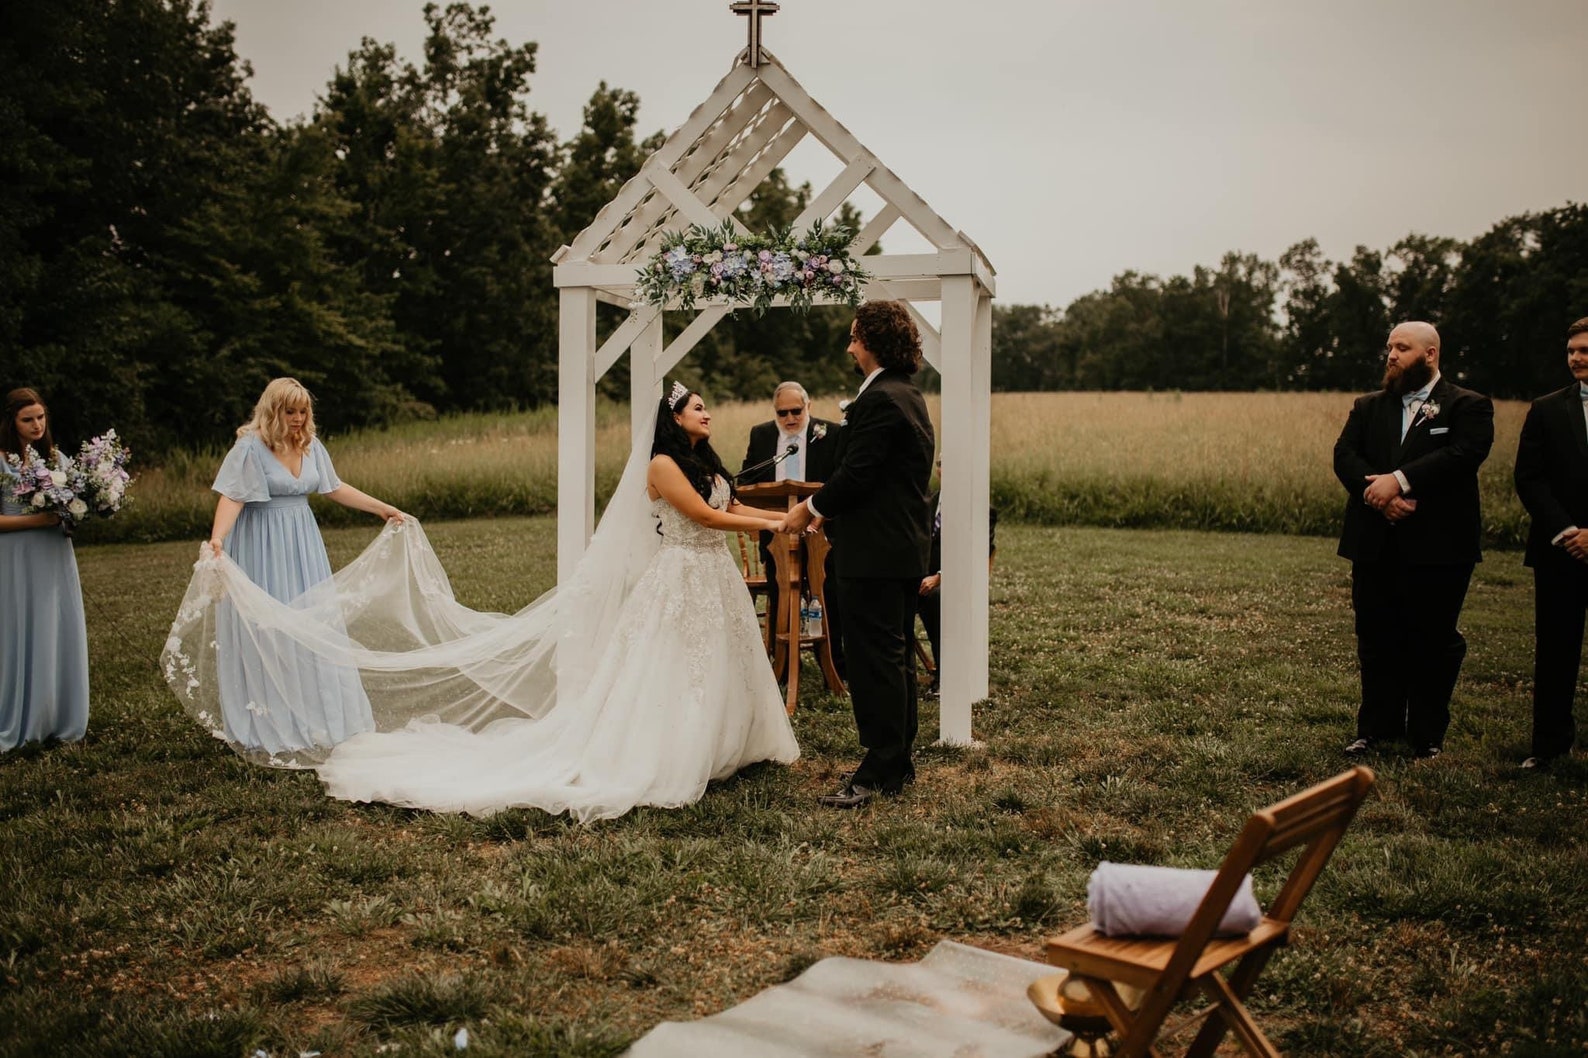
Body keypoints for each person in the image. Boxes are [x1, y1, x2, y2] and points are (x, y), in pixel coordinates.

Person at [312, 384, 800, 820]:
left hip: (715, 576)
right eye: (698, 407)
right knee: (675, 664)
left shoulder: (706, 464)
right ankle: (674, 753)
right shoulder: (662, 465)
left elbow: (730, 507)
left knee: (718, 660)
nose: (707, 413)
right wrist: (773, 526)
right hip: (682, 574)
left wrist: (789, 516)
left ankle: (725, 746)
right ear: (674, 419)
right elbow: (704, 519)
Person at [782, 301, 935, 807]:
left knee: (874, 661)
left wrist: (811, 508)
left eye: (853, 338)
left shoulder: (883, 399)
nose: (849, 347)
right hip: (898, 546)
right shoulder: (907, 394)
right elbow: (880, 476)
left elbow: (860, 473)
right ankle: (897, 762)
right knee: (895, 658)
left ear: (871, 341)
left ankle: (879, 770)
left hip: (874, 551)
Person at [202, 377, 404, 759]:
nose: (298, 419)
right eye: (290, 412)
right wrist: (218, 538)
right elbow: (232, 496)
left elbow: (333, 487)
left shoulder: (310, 446)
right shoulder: (249, 448)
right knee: (269, 629)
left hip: (302, 545)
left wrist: (382, 508)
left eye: (303, 411)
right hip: (260, 545)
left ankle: (319, 715)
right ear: (273, 411)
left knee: (313, 625)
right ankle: (270, 718)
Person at [1333, 321, 1493, 760]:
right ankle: (1375, 729)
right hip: (1375, 541)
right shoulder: (1369, 407)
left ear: (1430, 354)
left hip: (1439, 546)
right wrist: (1379, 498)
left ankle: (1425, 735)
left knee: (1432, 639)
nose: (1391, 355)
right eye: (1389, 347)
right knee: (1376, 635)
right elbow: (1345, 455)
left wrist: (1400, 481)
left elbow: (1463, 455)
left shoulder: (1468, 406)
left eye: (1402, 348)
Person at [1513, 316, 1588, 770]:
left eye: (1585, 351)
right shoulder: (1545, 409)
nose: (1576, 358)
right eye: (1572, 351)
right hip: (1559, 550)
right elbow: (1530, 478)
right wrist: (1569, 533)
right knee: (1556, 648)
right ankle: (1548, 745)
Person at [0, 388, 89, 751]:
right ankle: (21, 720)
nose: (37, 425)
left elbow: (74, 501)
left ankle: (59, 718)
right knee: (21, 628)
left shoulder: (56, 459)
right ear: (11, 423)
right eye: (27, 419)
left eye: (40, 417)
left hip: (55, 554)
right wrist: (42, 519)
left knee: (56, 627)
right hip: (17, 556)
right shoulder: (2, 462)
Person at [739, 380, 843, 673]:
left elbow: (840, 481)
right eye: (782, 413)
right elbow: (747, 480)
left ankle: (835, 663)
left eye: (796, 411)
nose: (790, 419)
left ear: (808, 407)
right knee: (779, 591)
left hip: (822, 531)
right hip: (777, 535)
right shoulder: (761, 435)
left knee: (829, 596)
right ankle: (781, 665)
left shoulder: (830, 433)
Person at [917, 456, 997, 698]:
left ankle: (945, 676)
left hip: (958, 581)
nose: (943, 468)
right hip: (922, 577)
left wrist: (939, 578)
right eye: (940, 463)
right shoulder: (928, 502)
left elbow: (976, 553)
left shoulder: (981, 508)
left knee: (935, 599)